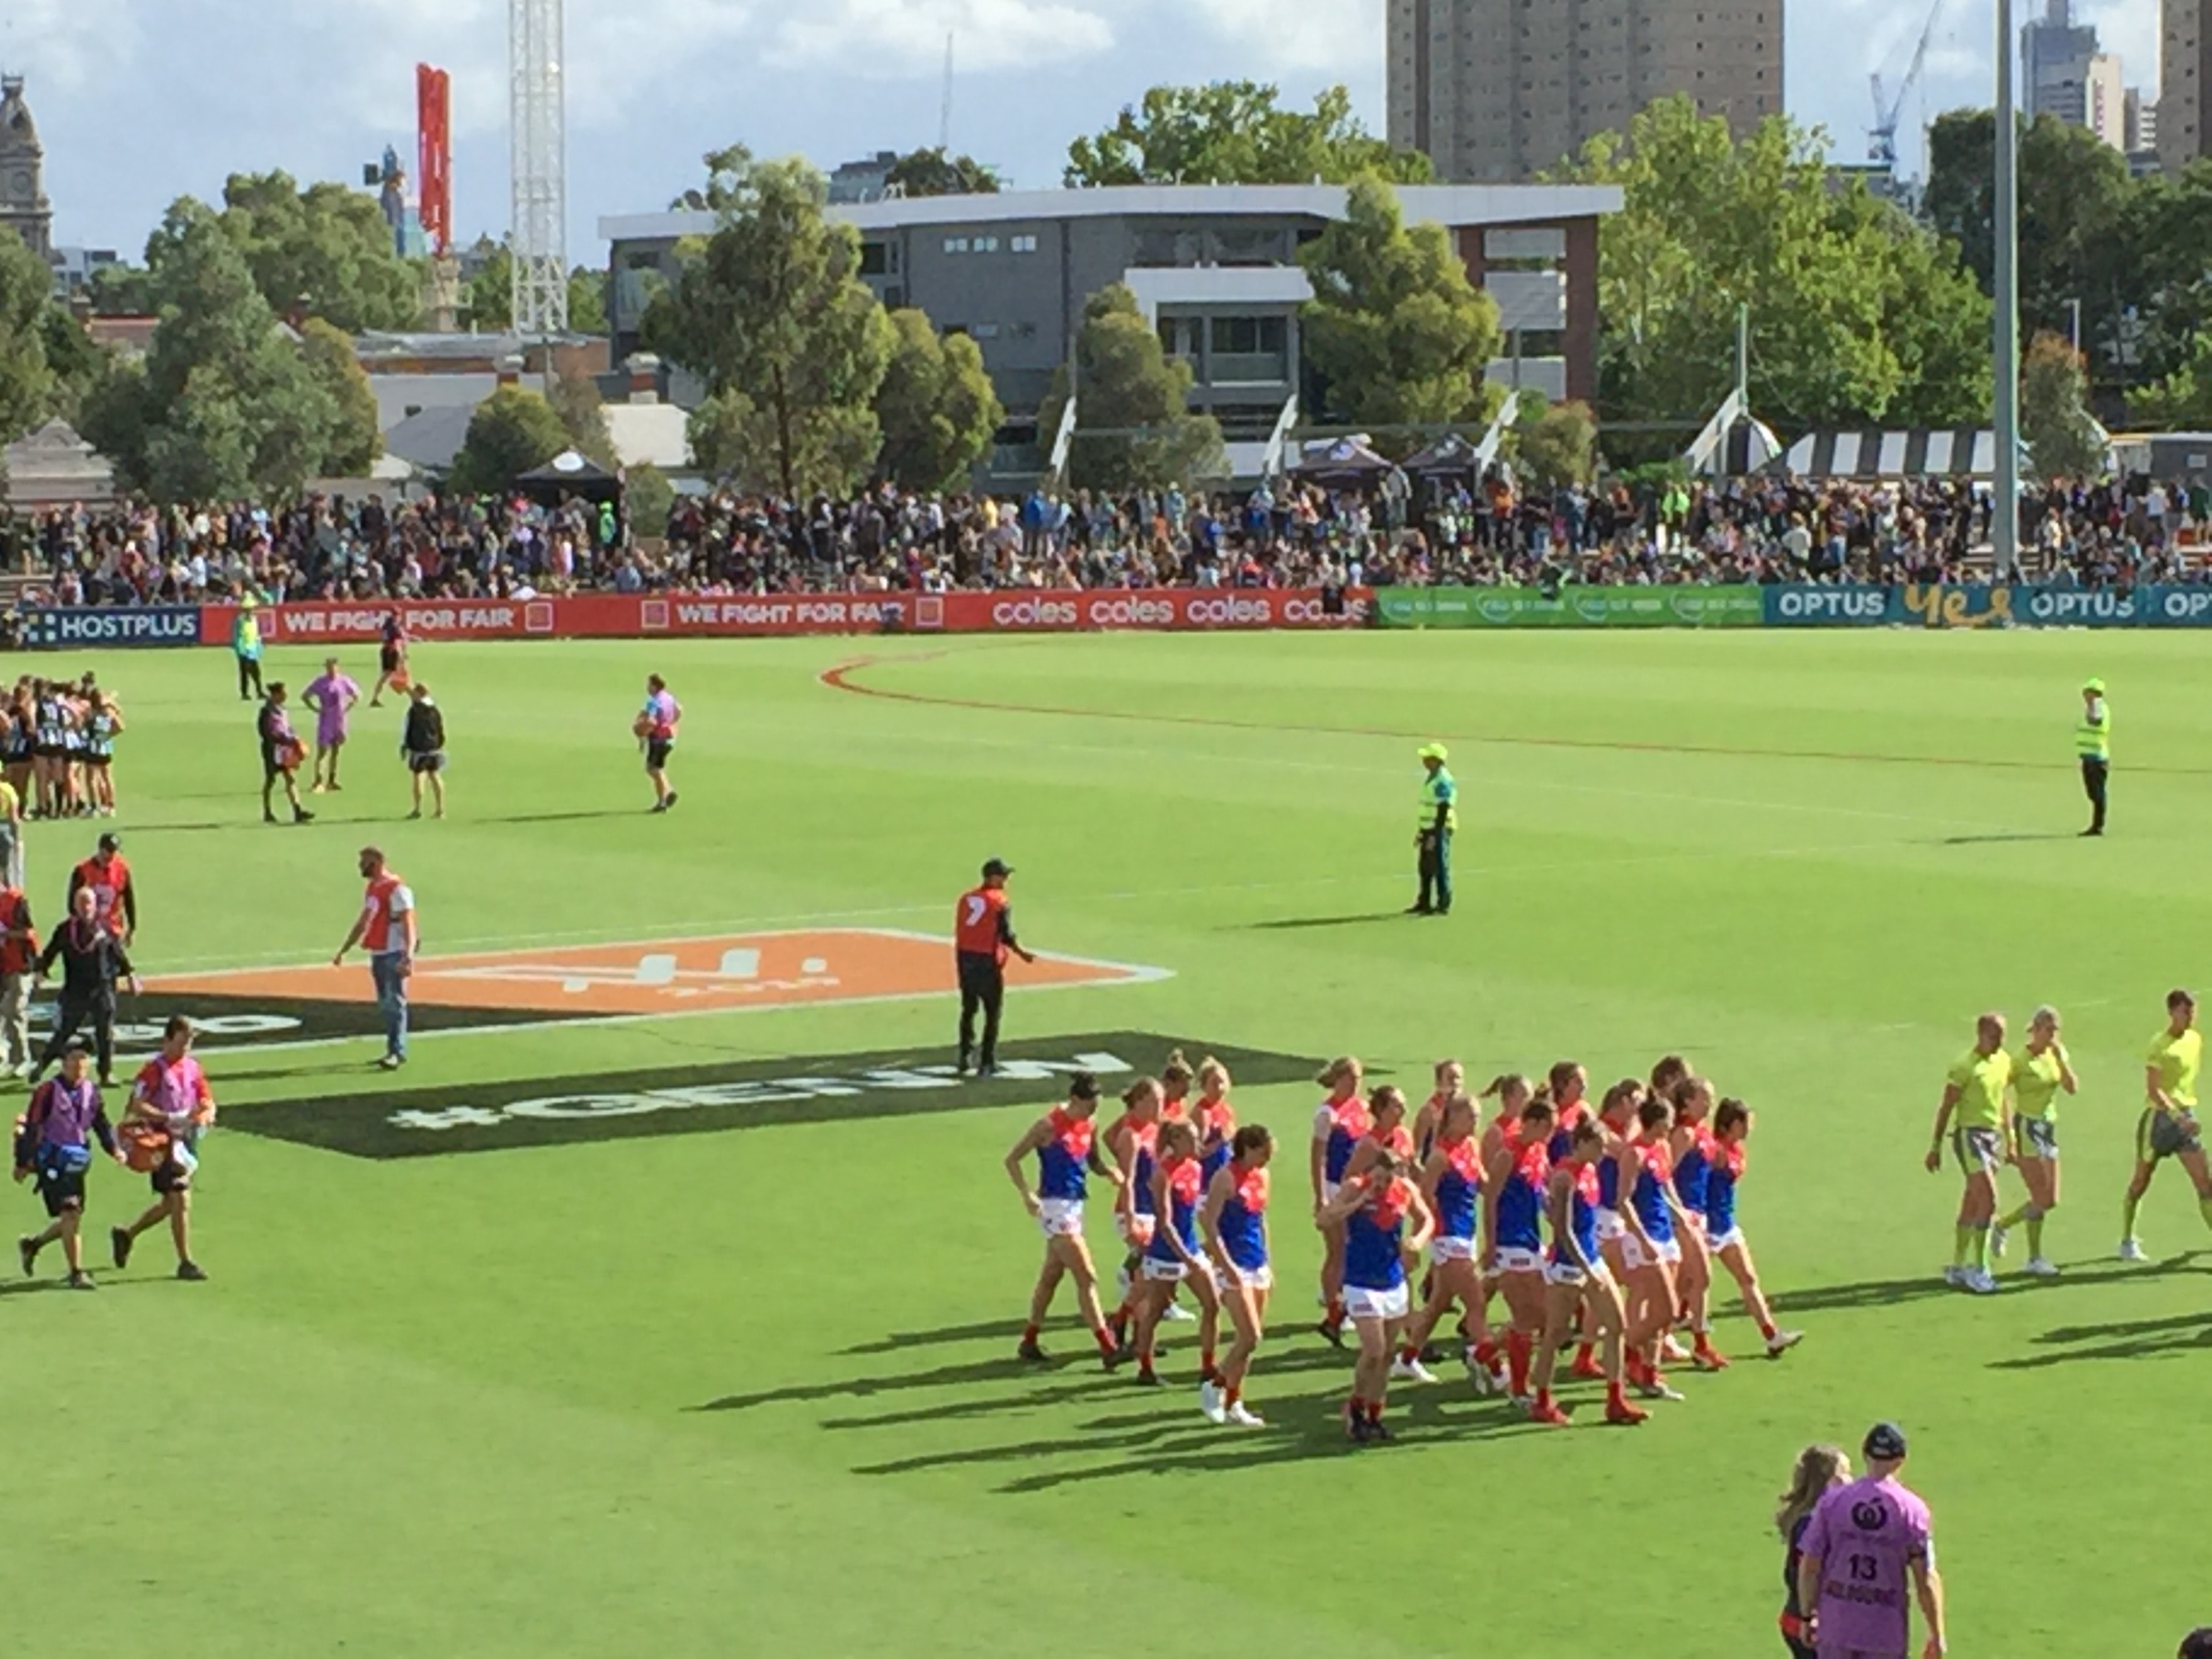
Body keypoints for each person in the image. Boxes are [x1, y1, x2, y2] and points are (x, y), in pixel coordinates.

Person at [1528, 1116, 1646, 1427]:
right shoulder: (1565, 1178)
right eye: (1596, 1146)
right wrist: (1587, 1271)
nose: (1601, 1153)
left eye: (1604, 1147)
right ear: (1580, 1144)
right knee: (1555, 1333)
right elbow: (1563, 1231)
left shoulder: (1590, 1170)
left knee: (1617, 1324)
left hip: (1591, 1258)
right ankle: (1541, 1399)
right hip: (1569, 1265)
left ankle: (1616, 1399)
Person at [1001, 1071, 1124, 1366]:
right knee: (1087, 1276)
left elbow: (1091, 1160)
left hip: (1075, 1206)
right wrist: (1027, 1194)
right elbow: (1012, 1159)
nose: (1091, 1113)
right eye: (1088, 1106)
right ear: (1074, 1100)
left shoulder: (1089, 1124)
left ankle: (1029, 1340)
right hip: (1054, 1208)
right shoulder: (1048, 1127)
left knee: (1051, 1277)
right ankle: (1108, 1346)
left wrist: (1109, 1172)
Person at [1795, 1422, 1946, 1659]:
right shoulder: (1913, 1510)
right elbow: (1925, 1579)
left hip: (1836, 1628)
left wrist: (1807, 1615)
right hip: (1884, 1634)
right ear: (1901, 1459)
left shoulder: (1832, 1502)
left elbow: (1810, 1565)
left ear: (1865, 1454)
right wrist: (1936, 1635)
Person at [1317, 1151, 1435, 1442]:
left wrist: (1417, 1241)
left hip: (1392, 1281)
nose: (1381, 1185)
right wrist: (1357, 1203)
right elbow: (1324, 1219)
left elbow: (1428, 1218)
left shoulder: (1405, 1190)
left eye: (1387, 1179)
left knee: (1386, 1356)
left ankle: (1374, 1415)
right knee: (1374, 1349)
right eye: (1378, 1178)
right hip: (1360, 1280)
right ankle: (1355, 1405)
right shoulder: (1355, 1187)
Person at [1402, 1092, 1505, 1393]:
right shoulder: (1440, 1155)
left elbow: (1483, 1184)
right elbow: (1424, 1197)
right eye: (1470, 1115)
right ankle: (1496, 1369)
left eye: (1477, 1115)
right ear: (1453, 1118)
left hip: (1467, 1233)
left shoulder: (1471, 1147)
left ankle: (1407, 1358)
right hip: (1449, 1238)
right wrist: (1433, 1235)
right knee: (1475, 1304)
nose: (1476, 1121)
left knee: (1438, 1304)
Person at [111, 1015, 216, 1282]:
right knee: (180, 1197)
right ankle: (185, 1261)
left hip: (187, 1142)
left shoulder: (193, 1068)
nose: (185, 1049)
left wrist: (207, 1114)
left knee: (170, 1202)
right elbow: (137, 1104)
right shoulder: (154, 1070)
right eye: (181, 1042)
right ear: (167, 1040)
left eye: (189, 1043)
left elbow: (206, 1099)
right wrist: (167, 1117)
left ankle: (127, 1234)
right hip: (163, 1143)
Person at [13, 1040, 122, 1288]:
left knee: (71, 1216)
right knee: (71, 1211)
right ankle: (76, 1272)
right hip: (51, 1161)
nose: (80, 1064)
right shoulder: (47, 1091)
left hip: (76, 1161)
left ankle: (34, 1244)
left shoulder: (92, 1092)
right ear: (64, 1062)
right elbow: (33, 1127)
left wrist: (114, 1149)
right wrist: (22, 1162)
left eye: (84, 1058)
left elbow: (101, 1124)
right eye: (75, 1058)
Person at [1131, 1118, 1222, 1404]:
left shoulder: (1195, 1167)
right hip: (1167, 1252)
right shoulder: (1163, 1174)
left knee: (1212, 1304)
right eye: (1191, 1139)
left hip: (1190, 1247)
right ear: (1175, 1142)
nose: (1197, 1145)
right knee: (1156, 1309)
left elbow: (1192, 1213)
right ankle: (1144, 1366)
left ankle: (1208, 1366)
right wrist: (1187, 1258)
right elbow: (1166, 1223)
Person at [1707, 1100, 1804, 1359]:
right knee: (1685, 1290)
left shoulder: (1737, 1150)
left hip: (1726, 1226)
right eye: (1745, 1122)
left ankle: (1772, 1336)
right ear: (1733, 1123)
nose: (1750, 1128)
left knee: (1748, 1279)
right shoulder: (1713, 1151)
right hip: (1704, 1229)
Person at [2121, 987, 2212, 1261]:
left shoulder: (2196, 1040)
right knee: (2141, 1181)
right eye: (2186, 1011)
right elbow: (2154, 1090)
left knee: (2205, 1183)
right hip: (2159, 1121)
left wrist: (2186, 1115)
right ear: (2172, 1012)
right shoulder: (2159, 1045)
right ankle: (2126, 1239)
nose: (2191, 1016)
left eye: (2193, 1011)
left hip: (2185, 1118)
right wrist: (2178, 1116)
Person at [1926, 1011, 2011, 1294]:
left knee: (1973, 1202)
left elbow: (2003, 1101)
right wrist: (1935, 1145)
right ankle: (1980, 1268)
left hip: (1993, 1136)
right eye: (1994, 1036)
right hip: (1970, 1136)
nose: (1999, 1041)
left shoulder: (2003, 1060)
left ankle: (1958, 1265)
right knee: (1989, 1199)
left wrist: (2009, 1137)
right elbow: (1946, 1106)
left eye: (2002, 1036)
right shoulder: (1964, 1066)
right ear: (1981, 1034)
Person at [1992, 1004, 2076, 1277]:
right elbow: (2001, 1093)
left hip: (2048, 1126)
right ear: (2036, 1030)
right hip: (2028, 1125)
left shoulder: (2057, 1054)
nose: (2052, 1035)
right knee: (2040, 1195)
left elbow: (2072, 1088)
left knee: (2051, 1199)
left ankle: (2003, 1224)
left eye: (2055, 1030)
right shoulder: (2020, 1060)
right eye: (2048, 1030)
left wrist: (2061, 1060)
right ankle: (2034, 1257)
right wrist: (2009, 1135)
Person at [1200, 1123, 1273, 1428]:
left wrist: (1268, 1259)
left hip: (1257, 1263)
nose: (1267, 1159)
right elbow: (1210, 1223)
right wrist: (1226, 1263)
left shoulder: (1262, 1176)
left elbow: (1260, 1218)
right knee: (1250, 1336)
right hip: (1234, 1265)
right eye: (1263, 1153)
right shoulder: (1225, 1178)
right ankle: (1213, 1386)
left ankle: (1235, 1403)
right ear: (1250, 1148)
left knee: (1250, 1344)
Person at [1486, 1096, 1558, 1406]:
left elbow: (1544, 1190)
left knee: (1541, 1315)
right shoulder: (1508, 1154)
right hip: (1509, 1241)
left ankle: (1481, 1354)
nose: (1552, 1134)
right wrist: (1490, 1245)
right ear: (1535, 1123)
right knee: (1528, 1317)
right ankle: (1519, 1388)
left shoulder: (1539, 1152)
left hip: (1531, 1240)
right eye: (1549, 1128)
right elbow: (1490, 1200)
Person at [29, 885, 137, 1087]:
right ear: (75, 906)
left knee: (105, 1033)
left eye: (89, 902)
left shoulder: (104, 929)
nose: (86, 907)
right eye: (81, 903)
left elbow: (118, 953)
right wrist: (40, 971)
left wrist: (130, 974)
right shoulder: (66, 930)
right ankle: (41, 1066)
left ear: (95, 905)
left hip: (102, 989)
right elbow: (51, 951)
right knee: (65, 1031)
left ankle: (105, 1073)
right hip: (77, 990)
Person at [332, 846, 417, 1071]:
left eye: (364, 862)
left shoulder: (397, 890)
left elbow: (409, 924)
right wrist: (345, 949)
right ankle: (393, 1048)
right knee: (386, 1004)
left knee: (395, 1002)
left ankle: (397, 1051)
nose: (360, 867)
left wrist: (408, 956)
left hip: (393, 952)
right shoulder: (373, 889)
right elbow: (364, 921)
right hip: (379, 951)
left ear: (377, 862)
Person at [953, 858, 1034, 1078]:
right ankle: (987, 1061)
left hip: (964, 957)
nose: (1006, 881)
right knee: (992, 1012)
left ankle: (965, 1055)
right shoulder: (999, 901)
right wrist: (1022, 953)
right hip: (986, 960)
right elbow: (1005, 934)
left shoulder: (966, 899)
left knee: (968, 1009)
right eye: (1004, 876)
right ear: (993, 877)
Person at [1309, 1055, 1370, 1345]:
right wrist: (1320, 1195)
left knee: (1350, 1248)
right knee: (1337, 1250)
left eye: (1359, 1079)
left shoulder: (1361, 1108)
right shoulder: (1327, 1114)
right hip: (1334, 1186)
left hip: (1354, 1187)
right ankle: (1334, 1309)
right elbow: (1318, 1157)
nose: (1356, 1085)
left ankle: (1339, 1302)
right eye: (1352, 1079)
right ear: (1340, 1079)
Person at [1776, 1443, 1852, 1658]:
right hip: (1809, 1624)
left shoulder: (1813, 1517)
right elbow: (1808, 1573)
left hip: (1799, 1619)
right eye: (1844, 1473)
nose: (1850, 1481)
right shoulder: (1812, 1522)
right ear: (1826, 1480)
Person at [1408, 741, 1458, 916]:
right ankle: (1424, 901)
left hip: (1439, 828)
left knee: (1439, 865)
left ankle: (1443, 902)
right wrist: (1422, 831)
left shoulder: (1442, 780)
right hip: (1429, 827)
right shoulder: (1433, 777)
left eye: (1427, 758)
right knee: (1425, 866)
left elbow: (1443, 807)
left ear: (1436, 760)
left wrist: (1435, 834)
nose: (1424, 761)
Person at [303, 656, 361, 794]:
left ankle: (332, 780)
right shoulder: (321, 682)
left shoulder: (344, 681)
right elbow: (305, 696)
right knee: (322, 752)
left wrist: (348, 707)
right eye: (328, 667)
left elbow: (357, 695)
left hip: (340, 721)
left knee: (336, 751)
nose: (331, 670)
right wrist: (316, 709)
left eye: (333, 667)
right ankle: (318, 781)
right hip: (326, 721)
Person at [258, 682, 313, 825]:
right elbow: (267, 733)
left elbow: (288, 727)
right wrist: (286, 739)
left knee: (290, 778)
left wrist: (295, 738)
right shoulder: (266, 711)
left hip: (285, 749)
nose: (285, 696)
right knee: (271, 780)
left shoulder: (283, 710)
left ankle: (297, 811)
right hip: (272, 750)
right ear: (275, 695)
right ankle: (267, 811)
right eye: (283, 693)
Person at [67, 831, 135, 947]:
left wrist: (132, 928)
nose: (112, 855)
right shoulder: (82, 870)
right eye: (109, 851)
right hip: (89, 932)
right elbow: (72, 904)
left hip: (113, 929)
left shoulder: (122, 869)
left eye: (114, 851)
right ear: (100, 849)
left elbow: (129, 898)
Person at [0, 876, 34, 1079]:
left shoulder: (15, 900)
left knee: (14, 1011)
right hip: (3, 965)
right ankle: (6, 1057)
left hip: (19, 964)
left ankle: (22, 1058)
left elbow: (28, 933)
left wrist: (6, 934)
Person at [401, 682, 447, 820]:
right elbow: (440, 728)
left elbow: (408, 729)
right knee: (435, 776)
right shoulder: (435, 709)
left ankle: (418, 809)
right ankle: (440, 809)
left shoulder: (415, 710)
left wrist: (406, 745)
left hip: (419, 749)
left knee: (419, 778)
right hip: (434, 747)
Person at [640, 674, 680, 813]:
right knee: (655, 768)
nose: (647, 687)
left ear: (654, 686)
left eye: (649, 684)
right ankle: (667, 792)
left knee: (653, 769)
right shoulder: (669, 697)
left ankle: (664, 799)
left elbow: (651, 721)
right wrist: (672, 723)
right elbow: (679, 710)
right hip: (669, 737)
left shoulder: (653, 701)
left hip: (658, 739)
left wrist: (643, 733)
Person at [2078, 675, 2110, 837]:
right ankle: (2097, 824)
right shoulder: (2091, 707)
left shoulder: (2098, 707)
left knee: (2097, 793)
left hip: (2097, 758)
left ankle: (2098, 826)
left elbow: (2095, 721)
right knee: (2092, 792)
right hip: (2088, 757)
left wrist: (2092, 707)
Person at [82, 689, 121, 817]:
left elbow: (83, 726)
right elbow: (120, 727)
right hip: (106, 748)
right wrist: (108, 735)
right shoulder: (108, 712)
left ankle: (94, 807)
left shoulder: (89, 713)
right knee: (108, 777)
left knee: (91, 778)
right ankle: (111, 805)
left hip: (92, 748)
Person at [369, 609, 409, 706]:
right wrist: (403, 653)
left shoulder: (386, 625)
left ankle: (375, 698)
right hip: (393, 651)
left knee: (385, 675)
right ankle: (413, 695)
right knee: (403, 673)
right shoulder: (395, 626)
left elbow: (385, 637)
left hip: (385, 650)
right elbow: (400, 639)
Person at [231, 596, 264, 702]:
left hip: (253, 648)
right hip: (244, 649)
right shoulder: (240, 620)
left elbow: (257, 634)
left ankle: (259, 692)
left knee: (256, 672)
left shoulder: (255, 619)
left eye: (252, 609)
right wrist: (239, 649)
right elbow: (236, 636)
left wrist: (259, 646)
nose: (251, 611)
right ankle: (245, 693)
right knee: (245, 672)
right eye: (248, 609)